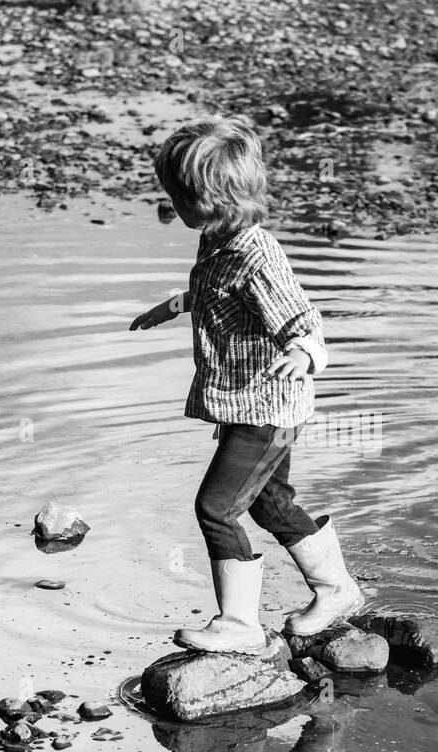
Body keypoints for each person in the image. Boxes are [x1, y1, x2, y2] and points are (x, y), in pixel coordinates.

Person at [131, 119, 364, 654]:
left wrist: (305, 353)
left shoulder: (257, 256)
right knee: (271, 503)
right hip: (254, 404)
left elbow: (302, 319)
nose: (171, 206)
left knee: (216, 508)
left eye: (177, 197)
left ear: (209, 199)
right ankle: (337, 591)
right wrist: (167, 308)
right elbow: (213, 295)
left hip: (267, 410)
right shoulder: (218, 240)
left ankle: (239, 625)